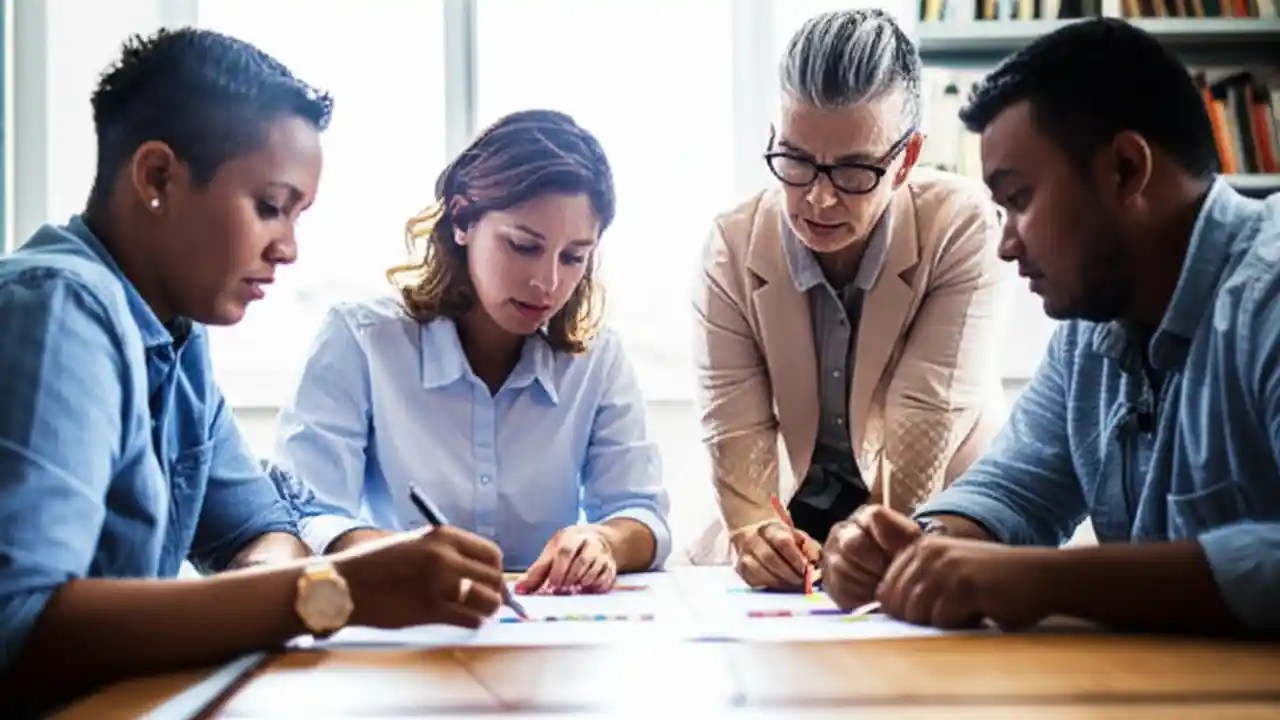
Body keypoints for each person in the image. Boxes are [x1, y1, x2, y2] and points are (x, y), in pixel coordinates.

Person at [0, 29, 505, 712]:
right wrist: (337, 592)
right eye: (270, 206)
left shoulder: (174, 335)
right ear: (156, 178)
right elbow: (19, 629)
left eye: (297, 215)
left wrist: (299, 589)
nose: (289, 248)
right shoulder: (63, 310)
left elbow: (261, 531)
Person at [821, 18, 1280, 635]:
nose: (1006, 246)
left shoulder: (1267, 293)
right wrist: (917, 548)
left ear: (1124, 169)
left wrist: (1045, 580)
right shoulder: (1092, 331)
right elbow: (1012, 489)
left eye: (1019, 199)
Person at [271, 109, 671, 596]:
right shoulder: (362, 341)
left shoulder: (597, 357)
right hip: (403, 626)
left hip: (544, 641)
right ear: (462, 218)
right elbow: (307, 511)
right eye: (523, 246)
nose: (547, 283)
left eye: (574, 257)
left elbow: (643, 514)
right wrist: (394, 555)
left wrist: (603, 540)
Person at [687, 9, 1009, 591]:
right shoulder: (731, 246)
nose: (819, 198)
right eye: (796, 161)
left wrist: (864, 554)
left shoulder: (962, 226)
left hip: (941, 510)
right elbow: (733, 431)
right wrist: (758, 535)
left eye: (855, 170)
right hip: (798, 515)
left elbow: (924, 421)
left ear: (906, 160)